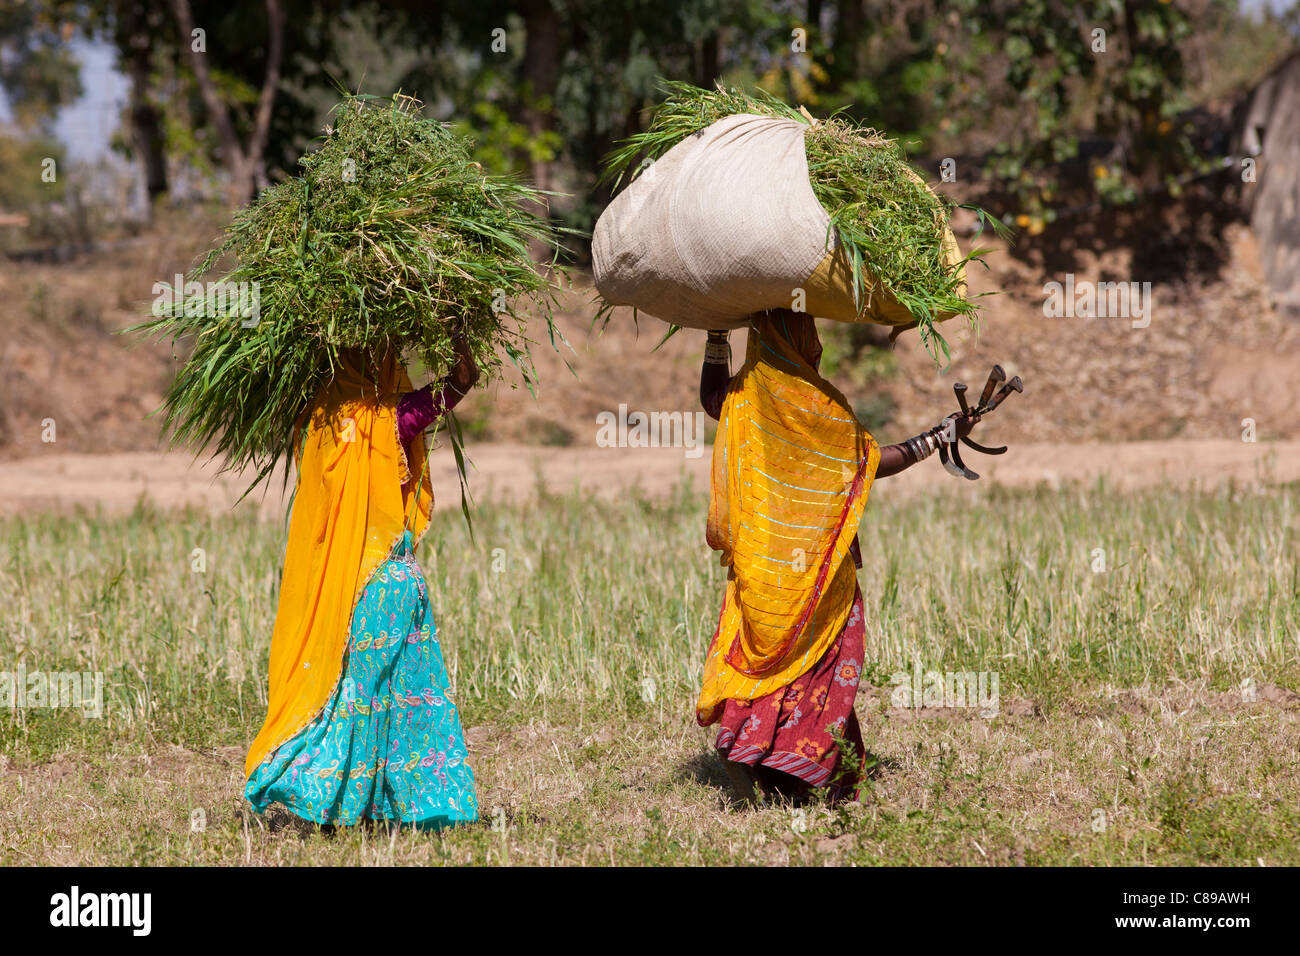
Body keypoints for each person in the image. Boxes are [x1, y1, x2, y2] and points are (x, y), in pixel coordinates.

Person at [697, 309, 982, 804]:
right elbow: (870, 462)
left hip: (761, 571)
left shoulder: (743, 396)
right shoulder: (817, 404)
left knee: (758, 658)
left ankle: (749, 749)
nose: (819, 347)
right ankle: (803, 766)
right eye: (813, 336)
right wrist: (939, 435)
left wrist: (716, 332)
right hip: (817, 572)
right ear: (804, 342)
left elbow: (710, 399)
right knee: (818, 662)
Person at [243, 336, 481, 830]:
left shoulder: (318, 422)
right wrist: (459, 342)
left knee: (352, 702)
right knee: (399, 706)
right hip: (390, 583)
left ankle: (337, 801)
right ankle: (408, 804)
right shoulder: (385, 419)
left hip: (345, 591)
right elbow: (456, 385)